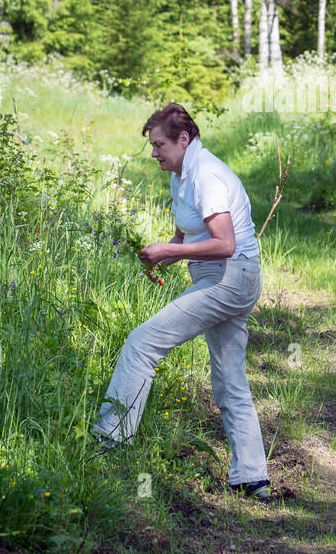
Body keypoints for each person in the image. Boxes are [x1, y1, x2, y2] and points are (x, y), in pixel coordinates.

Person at [89, 103, 272, 500]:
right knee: (229, 378)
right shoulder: (181, 174)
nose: (154, 153)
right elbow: (187, 233)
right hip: (226, 277)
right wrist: (167, 253)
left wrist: (169, 252)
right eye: (153, 146)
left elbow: (225, 243)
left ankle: (109, 444)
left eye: (158, 145)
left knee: (141, 343)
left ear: (183, 139)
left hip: (229, 278)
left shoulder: (206, 175)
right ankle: (252, 477)